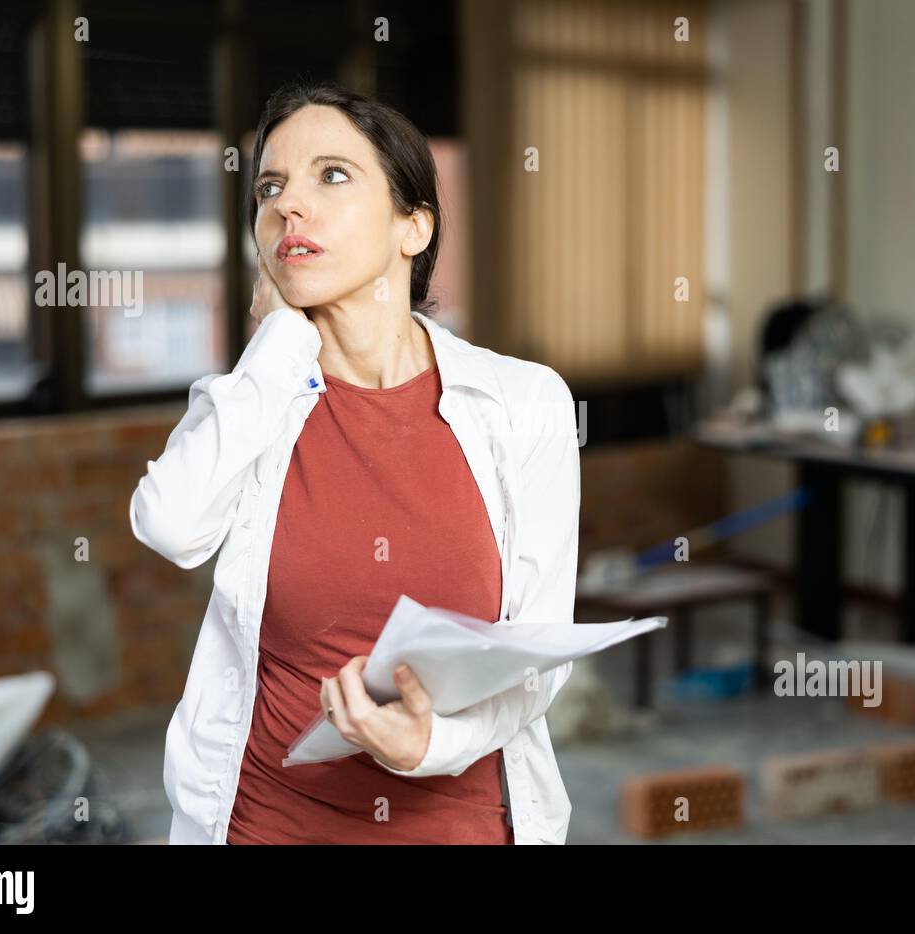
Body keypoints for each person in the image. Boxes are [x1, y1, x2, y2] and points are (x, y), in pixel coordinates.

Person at [130, 80, 581, 844]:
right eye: (270, 188)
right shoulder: (258, 401)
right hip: (268, 823)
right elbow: (170, 526)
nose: (287, 208)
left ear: (413, 226)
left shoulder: (524, 402)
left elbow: (536, 658)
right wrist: (276, 343)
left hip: (462, 821)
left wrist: (430, 744)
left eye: (331, 175)